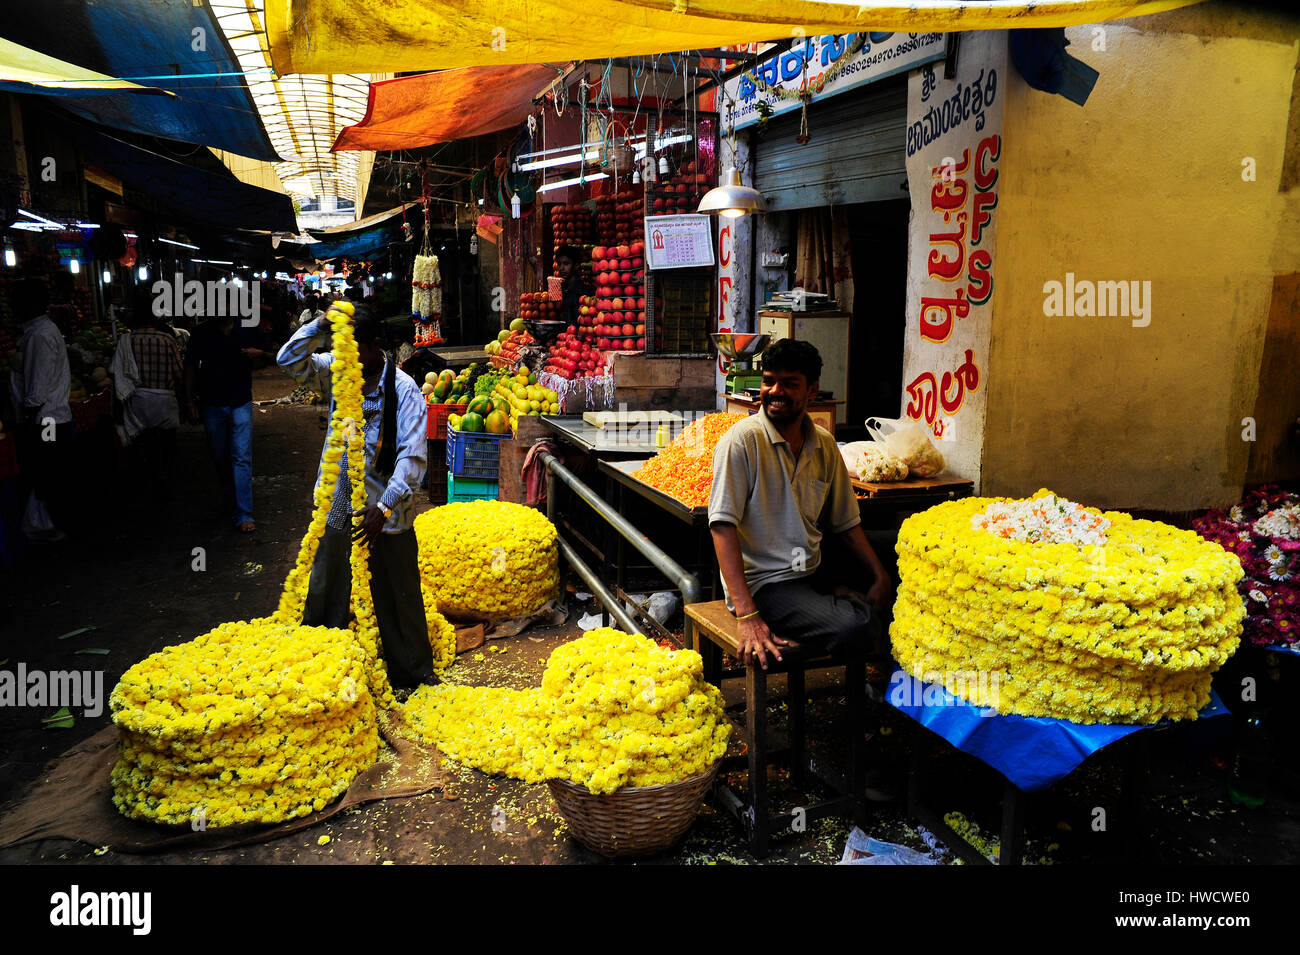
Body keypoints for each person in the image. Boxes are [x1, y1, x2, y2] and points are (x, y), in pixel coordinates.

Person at [708, 338, 893, 670]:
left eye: (789, 383)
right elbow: (722, 528)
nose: (775, 391)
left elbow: (846, 524)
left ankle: (838, 597)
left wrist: (879, 575)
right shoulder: (741, 442)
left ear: (812, 390)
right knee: (856, 628)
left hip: (812, 563)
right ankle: (841, 604)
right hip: (768, 581)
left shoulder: (823, 443)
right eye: (769, 381)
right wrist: (747, 615)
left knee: (904, 547)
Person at [277, 303, 435, 690]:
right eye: (339, 347)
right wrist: (320, 325)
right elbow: (288, 361)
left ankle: (412, 670)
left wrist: (383, 508)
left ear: (376, 346)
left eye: (352, 348)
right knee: (326, 581)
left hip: (386, 506)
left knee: (396, 589)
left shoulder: (403, 390)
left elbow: (412, 457)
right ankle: (324, 658)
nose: (345, 357)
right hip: (337, 496)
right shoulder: (337, 369)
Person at [185, 311, 272, 533]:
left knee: (241, 456)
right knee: (220, 456)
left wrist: (259, 353)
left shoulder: (248, 329)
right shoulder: (201, 332)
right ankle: (230, 501)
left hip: (241, 400)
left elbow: (276, 354)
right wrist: (189, 401)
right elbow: (190, 367)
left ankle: (244, 512)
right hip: (212, 402)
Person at [7, 277, 72, 541]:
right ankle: (49, 525)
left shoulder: (40, 336)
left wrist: (26, 421)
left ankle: (52, 527)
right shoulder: (37, 332)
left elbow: (37, 388)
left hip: (45, 422)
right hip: (47, 420)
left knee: (46, 472)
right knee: (47, 472)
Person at [122, 287, 183, 499]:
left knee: (141, 446)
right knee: (166, 446)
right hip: (164, 400)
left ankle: (146, 485)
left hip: (136, 402)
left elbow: (117, 375)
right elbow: (178, 373)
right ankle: (166, 482)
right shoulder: (167, 340)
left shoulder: (125, 341)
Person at [555, 244, 594, 326]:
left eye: (566, 264)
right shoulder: (560, 289)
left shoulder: (584, 292)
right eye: (559, 264)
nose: (561, 268)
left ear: (576, 265)